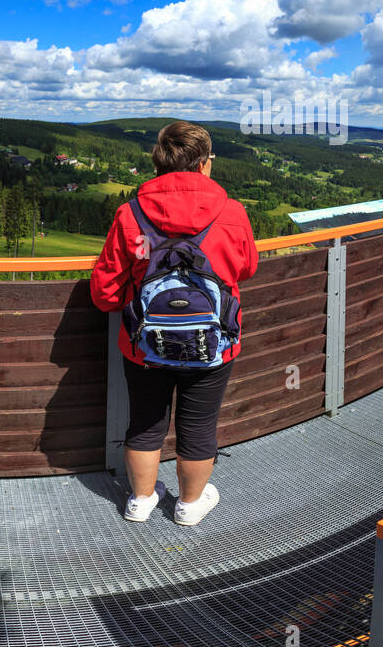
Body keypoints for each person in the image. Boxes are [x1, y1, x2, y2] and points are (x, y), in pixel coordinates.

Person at [88, 121, 258, 526]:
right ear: (203, 164)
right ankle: (188, 505)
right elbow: (247, 268)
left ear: (159, 163)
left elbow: (105, 292)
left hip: (145, 345)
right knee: (198, 426)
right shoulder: (232, 212)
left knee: (146, 422)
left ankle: (141, 501)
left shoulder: (129, 214)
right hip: (212, 344)